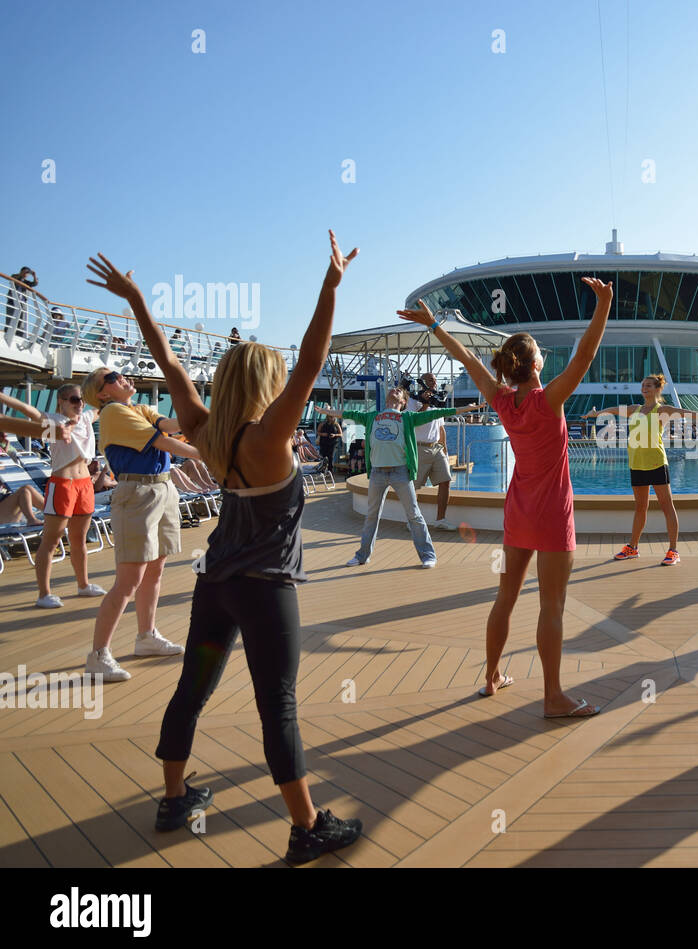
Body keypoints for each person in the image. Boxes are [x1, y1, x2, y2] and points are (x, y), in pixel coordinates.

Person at [88, 233, 366, 862]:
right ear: (267, 382)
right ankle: (306, 826)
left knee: (192, 688)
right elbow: (312, 361)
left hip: (215, 585)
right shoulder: (270, 437)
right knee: (279, 706)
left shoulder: (205, 430)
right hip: (266, 589)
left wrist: (136, 299)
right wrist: (330, 285)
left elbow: (168, 362)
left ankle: (174, 797)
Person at [396, 281, 613, 718]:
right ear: (535, 364)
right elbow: (585, 357)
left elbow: (468, 359)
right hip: (552, 515)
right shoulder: (548, 399)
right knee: (552, 606)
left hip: (518, 513)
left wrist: (435, 325)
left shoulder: (502, 401)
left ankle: (492, 676)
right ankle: (553, 697)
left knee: (505, 597)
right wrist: (604, 305)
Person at [80, 365, 195, 681]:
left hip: (162, 487)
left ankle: (146, 636)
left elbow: (172, 425)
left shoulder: (138, 408)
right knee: (129, 580)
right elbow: (165, 443)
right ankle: (98, 655)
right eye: (111, 378)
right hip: (137, 493)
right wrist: (211, 455)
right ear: (103, 394)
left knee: (155, 570)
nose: (121, 377)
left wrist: (205, 412)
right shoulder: (113, 412)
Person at [582, 374, 698, 565]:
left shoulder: (662, 410)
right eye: (643, 385)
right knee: (640, 508)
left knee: (667, 506)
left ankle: (673, 550)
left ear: (657, 389)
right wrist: (596, 414)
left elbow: (687, 413)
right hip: (637, 464)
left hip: (656, 463)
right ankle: (632, 547)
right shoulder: (635, 409)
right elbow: (613, 410)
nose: (644, 388)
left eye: (648, 386)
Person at [316, 385, 462, 568]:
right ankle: (362, 556)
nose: (395, 390)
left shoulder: (407, 417)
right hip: (377, 472)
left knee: (414, 515)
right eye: (393, 389)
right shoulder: (372, 416)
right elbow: (348, 413)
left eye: (399, 391)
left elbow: (437, 413)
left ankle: (428, 556)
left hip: (400, 472)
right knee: (372, 516)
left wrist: (467, 408)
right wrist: (326, 411)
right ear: (386, 399)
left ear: (403, 402)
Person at [0, 386, 109, 608]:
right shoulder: (54, 421)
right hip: (63, 485)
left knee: (79, 539)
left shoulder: (86, 418)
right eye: (74, 399)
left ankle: (83, 585)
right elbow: (27, 410)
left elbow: (104, 405)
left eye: (82, 399)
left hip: (84, 485)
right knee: (51, 541)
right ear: (61, 401)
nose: (80, 403)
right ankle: (44, 594)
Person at [409, 380, 483, 532]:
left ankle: (440, 520)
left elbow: (441, 428)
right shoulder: (413, 401)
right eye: (430, 380)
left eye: (435, 381)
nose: (434, 383)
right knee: (414, 486)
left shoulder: (437, 402)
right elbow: (413, 421)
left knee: (445, 481)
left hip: (436, 448)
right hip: (419, 447)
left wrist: (445, 449)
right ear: (422, 382)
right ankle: (412, 521)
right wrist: (425, 404)